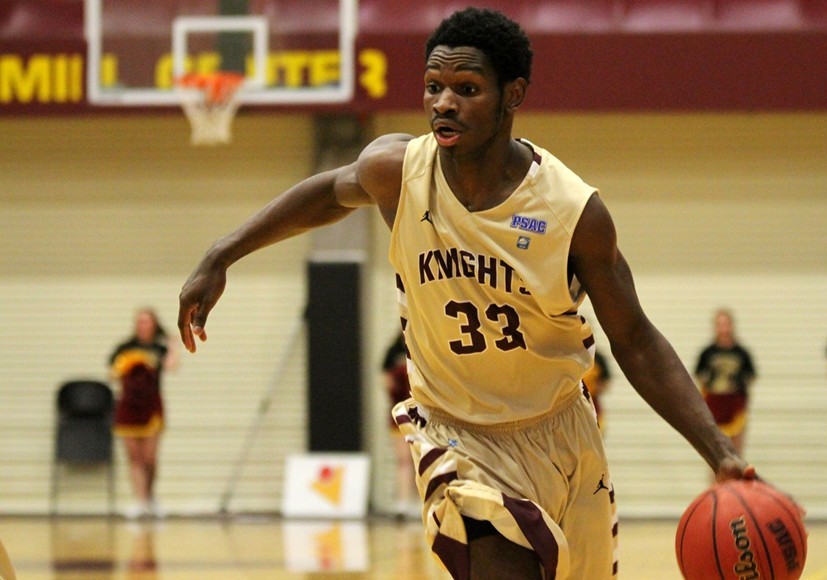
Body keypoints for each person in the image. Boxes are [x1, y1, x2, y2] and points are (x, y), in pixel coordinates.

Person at [177, 8, 754, 578]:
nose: (443, 103)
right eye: (433, 87)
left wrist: (719, 451)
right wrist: (220, 253)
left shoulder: (570, 211)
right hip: (455, 433)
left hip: (559, 432)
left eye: (466, 88)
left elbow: (636, 340)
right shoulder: (397, 172)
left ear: (513, 94)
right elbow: (328, 192)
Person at [109, 308, 179, 519]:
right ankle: (139, 501)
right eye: (140, 321)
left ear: (154, 325)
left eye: (147, 322)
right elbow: (111, 372)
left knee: (149, 457)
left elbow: (172, 367)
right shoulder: (124, 347)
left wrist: (173, 347)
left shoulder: (159, 348)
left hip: (152, 406)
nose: (143, 325)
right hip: (129, 405)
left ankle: (150, 497)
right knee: (135, 457)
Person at [693, 308, 757, 455]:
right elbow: (698, 375)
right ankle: (716, 477)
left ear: (732, 326)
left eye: (726, 324)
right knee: (715, 451)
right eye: (720, 325)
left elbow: (751, 375)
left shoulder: (741, 353)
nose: (723, 329)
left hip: (735, 404)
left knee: (736, 449)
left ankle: (738, 476)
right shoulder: (708, 353)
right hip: (714, 404)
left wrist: (738, 384)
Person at [381, 333, 419, 518]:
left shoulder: (423, 351)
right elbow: (388, 386)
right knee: (405, 461)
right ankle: (403, 503)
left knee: (417, 461)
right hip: (401, 418)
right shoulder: (393, 358)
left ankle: (417, 503)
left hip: (421, 418)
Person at [580, 348, 612, 432]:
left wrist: (596, 388)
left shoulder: (597, 358)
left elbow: (606, 380)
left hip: (592, 405)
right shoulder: (571, 357)